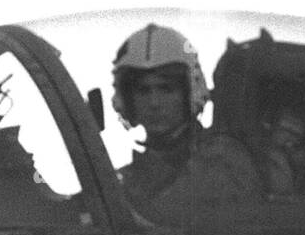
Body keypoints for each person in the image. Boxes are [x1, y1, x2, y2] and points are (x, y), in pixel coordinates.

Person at [111, 24, 261, 221]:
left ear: (190, 93)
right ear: (128, 99)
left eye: (166, 89)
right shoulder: (133, 175)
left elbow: (158, 218)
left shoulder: (223, 158)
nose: (154, 103)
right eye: (143, 91)